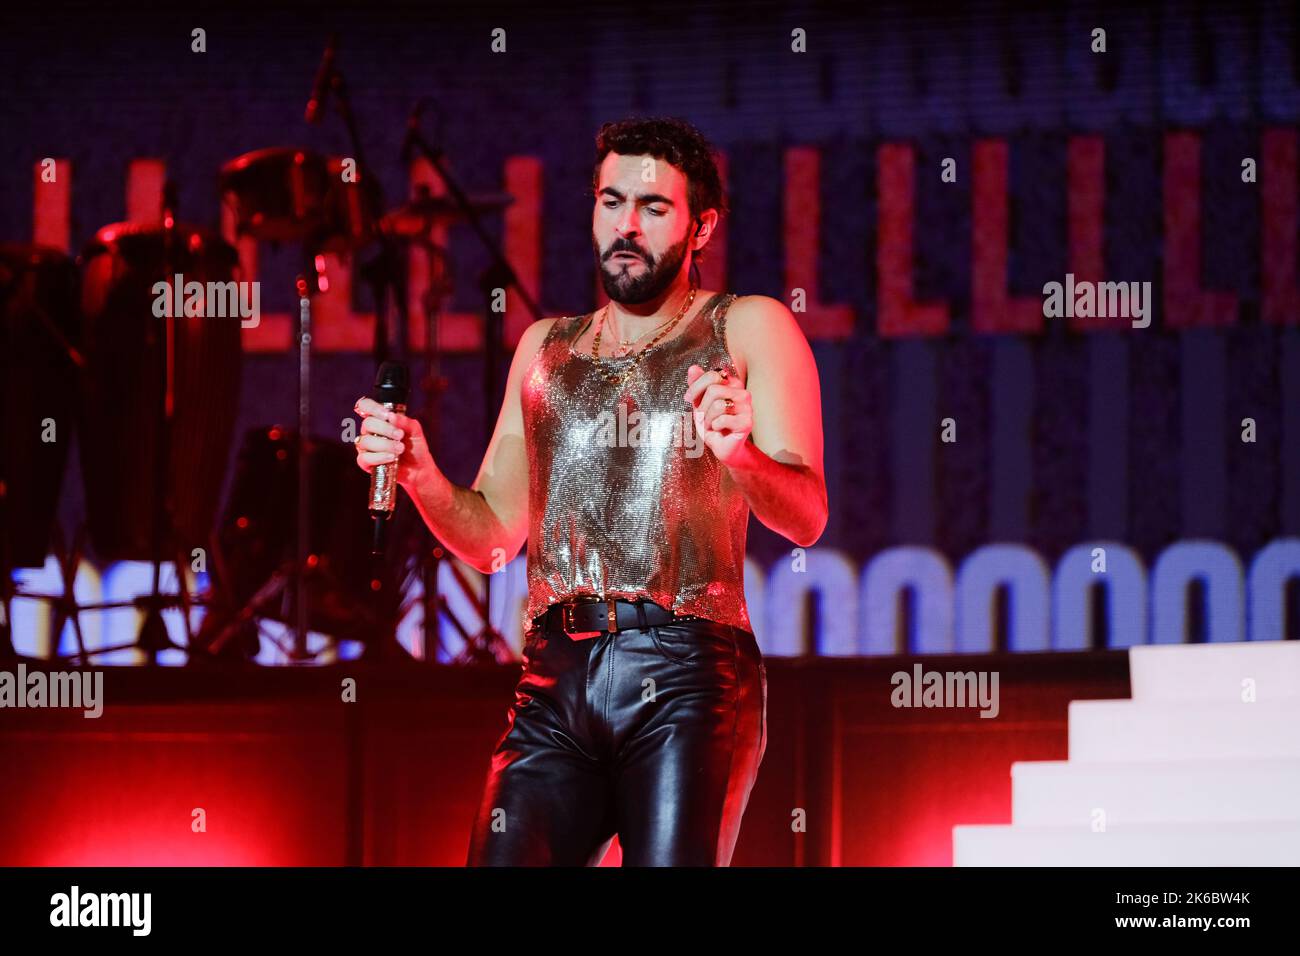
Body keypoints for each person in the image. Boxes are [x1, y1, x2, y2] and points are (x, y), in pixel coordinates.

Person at [353, 116, 827, 865]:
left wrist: (743, 458)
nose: (626, 226)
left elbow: (806, 517)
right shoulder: (545, 347)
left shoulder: (748, 327)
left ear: (702, 226)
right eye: (611, 202)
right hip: (553, 678)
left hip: (686, 669)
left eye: (653, 207)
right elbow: (493, 536)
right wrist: (419, 474)